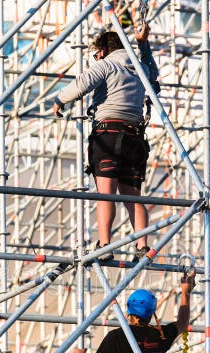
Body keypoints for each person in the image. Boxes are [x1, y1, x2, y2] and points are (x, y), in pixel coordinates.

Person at [53, 24, 158, 262]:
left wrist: (59, 100)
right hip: (135, 138)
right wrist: (143, 44)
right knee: (133, 196)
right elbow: (154, 76)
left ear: (102, 50)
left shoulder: (106, 64)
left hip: (107, 135)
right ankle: (142, 246)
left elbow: (81, 85)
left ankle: (105, 245)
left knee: (106, 194)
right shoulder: (141, 68)